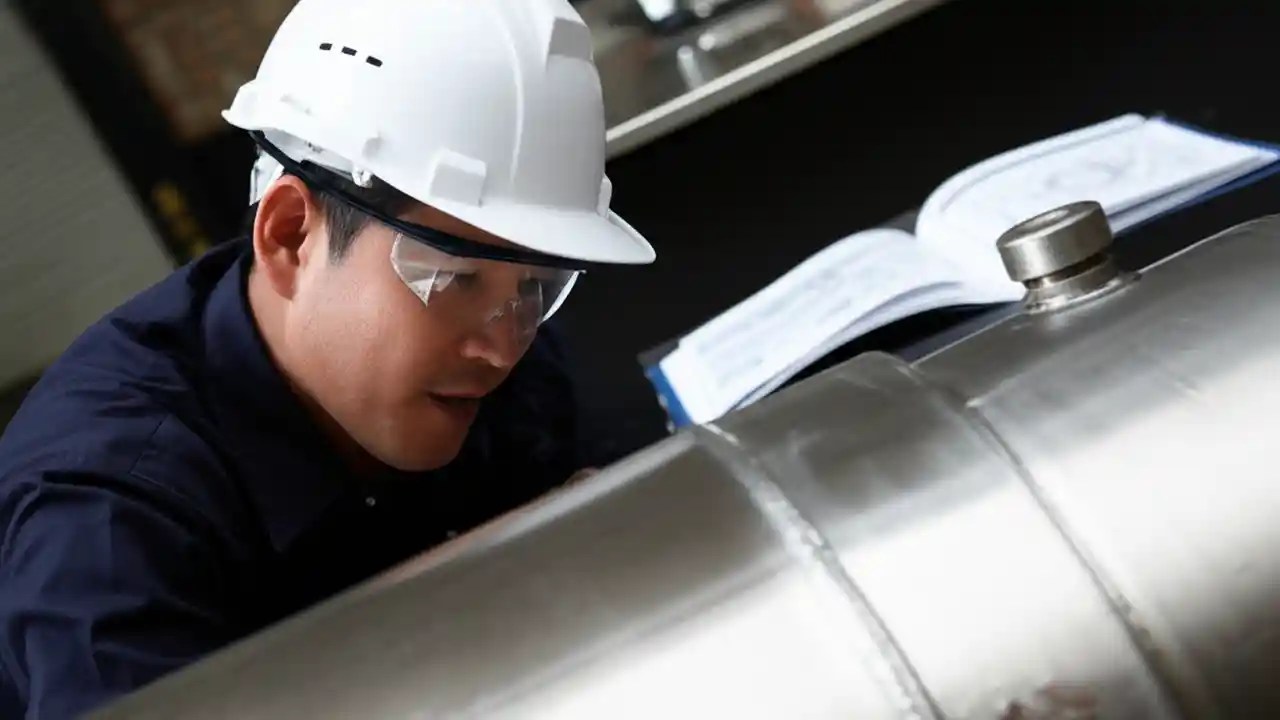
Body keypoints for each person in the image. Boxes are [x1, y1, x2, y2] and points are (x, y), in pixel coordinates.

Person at [0, 0, 655, 717]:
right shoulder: (109, 523)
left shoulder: (497, 361)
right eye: (450, 278)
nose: (501, 346)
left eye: (538, 286)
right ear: (289, 237)